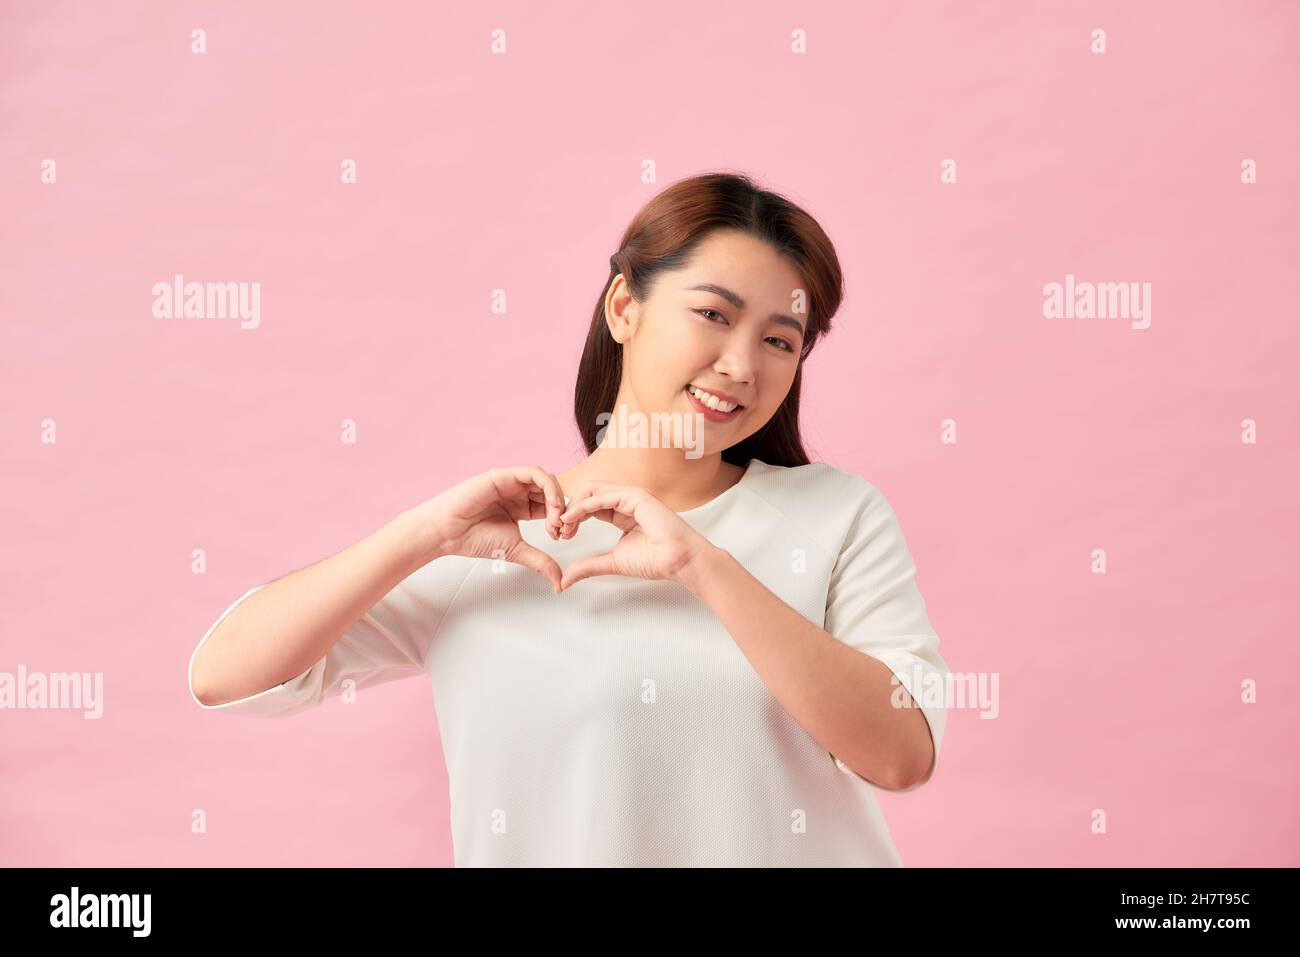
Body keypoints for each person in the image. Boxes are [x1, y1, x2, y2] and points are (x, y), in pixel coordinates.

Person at [188, 171, 950, 867]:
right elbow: (224, 675)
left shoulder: (836, 514)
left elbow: (900, 755)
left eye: (780, 340)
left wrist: (701, 566)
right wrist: (424, 535)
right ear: (625, 306)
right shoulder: (501, 541)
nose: (743, 366)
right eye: (714, 313)